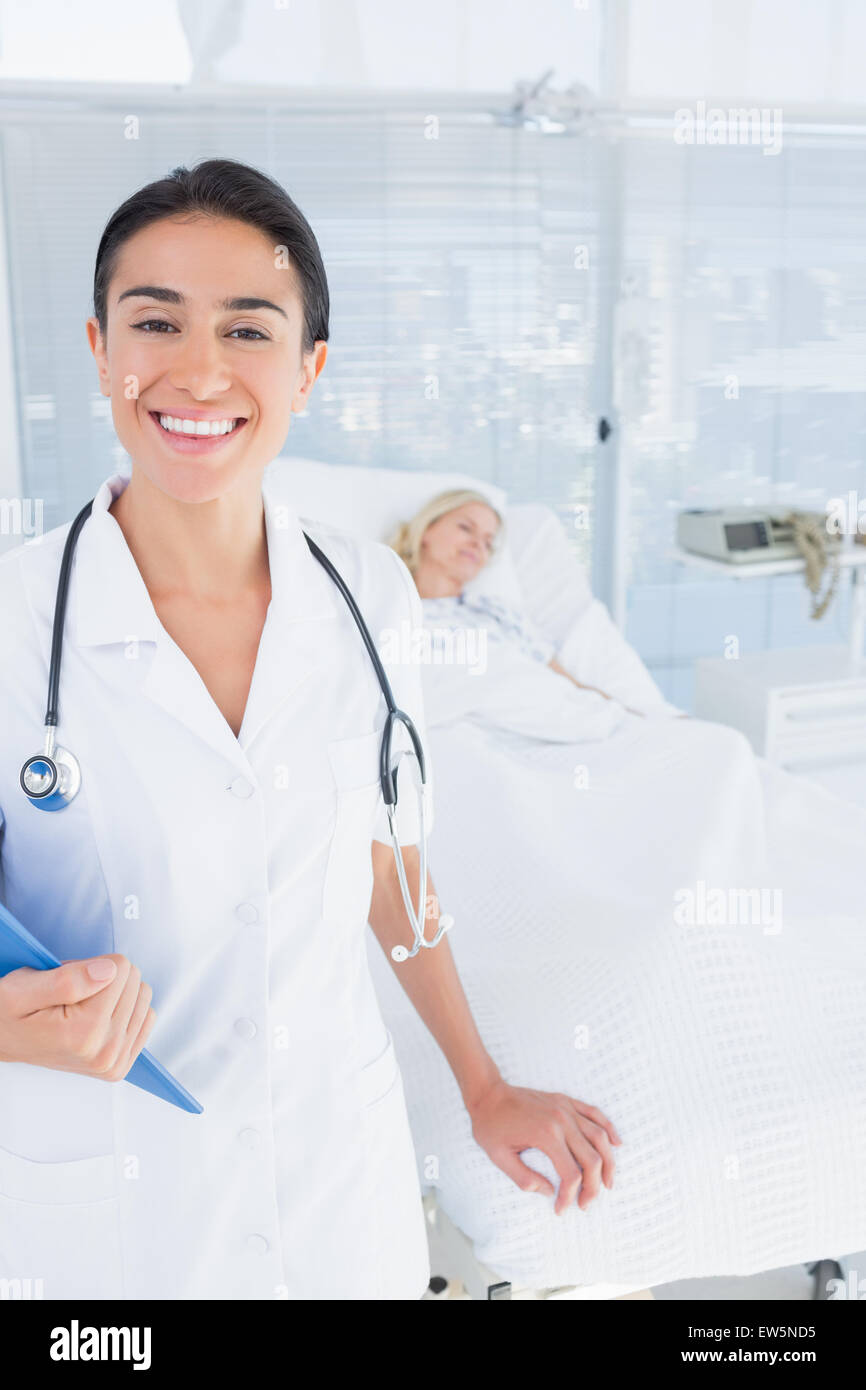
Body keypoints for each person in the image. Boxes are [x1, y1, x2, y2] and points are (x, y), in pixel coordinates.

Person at [0, 159, 620, 1301]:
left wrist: (480, 1087)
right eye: (155, 321)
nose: (198, 370)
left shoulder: (372, 601)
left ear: (308, 369)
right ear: (98, 350)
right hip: (113, 1218)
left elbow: (389, 866)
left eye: (248, 329)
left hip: (338, 1190)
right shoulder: (13, 623)